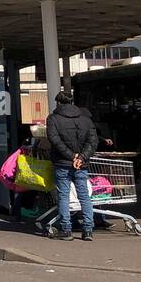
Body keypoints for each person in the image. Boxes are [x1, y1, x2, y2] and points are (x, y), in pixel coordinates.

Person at [45, 89, 98, 241]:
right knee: (84, 196)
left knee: (64, 195)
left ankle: (66, 229)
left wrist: (71, 156)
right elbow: (92, 141)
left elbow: (54, 140)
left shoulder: (53, 119)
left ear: (58, 102)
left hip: (62, 162)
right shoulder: (86, 119)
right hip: (81, 164)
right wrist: (81, 157)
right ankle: (88, 230)